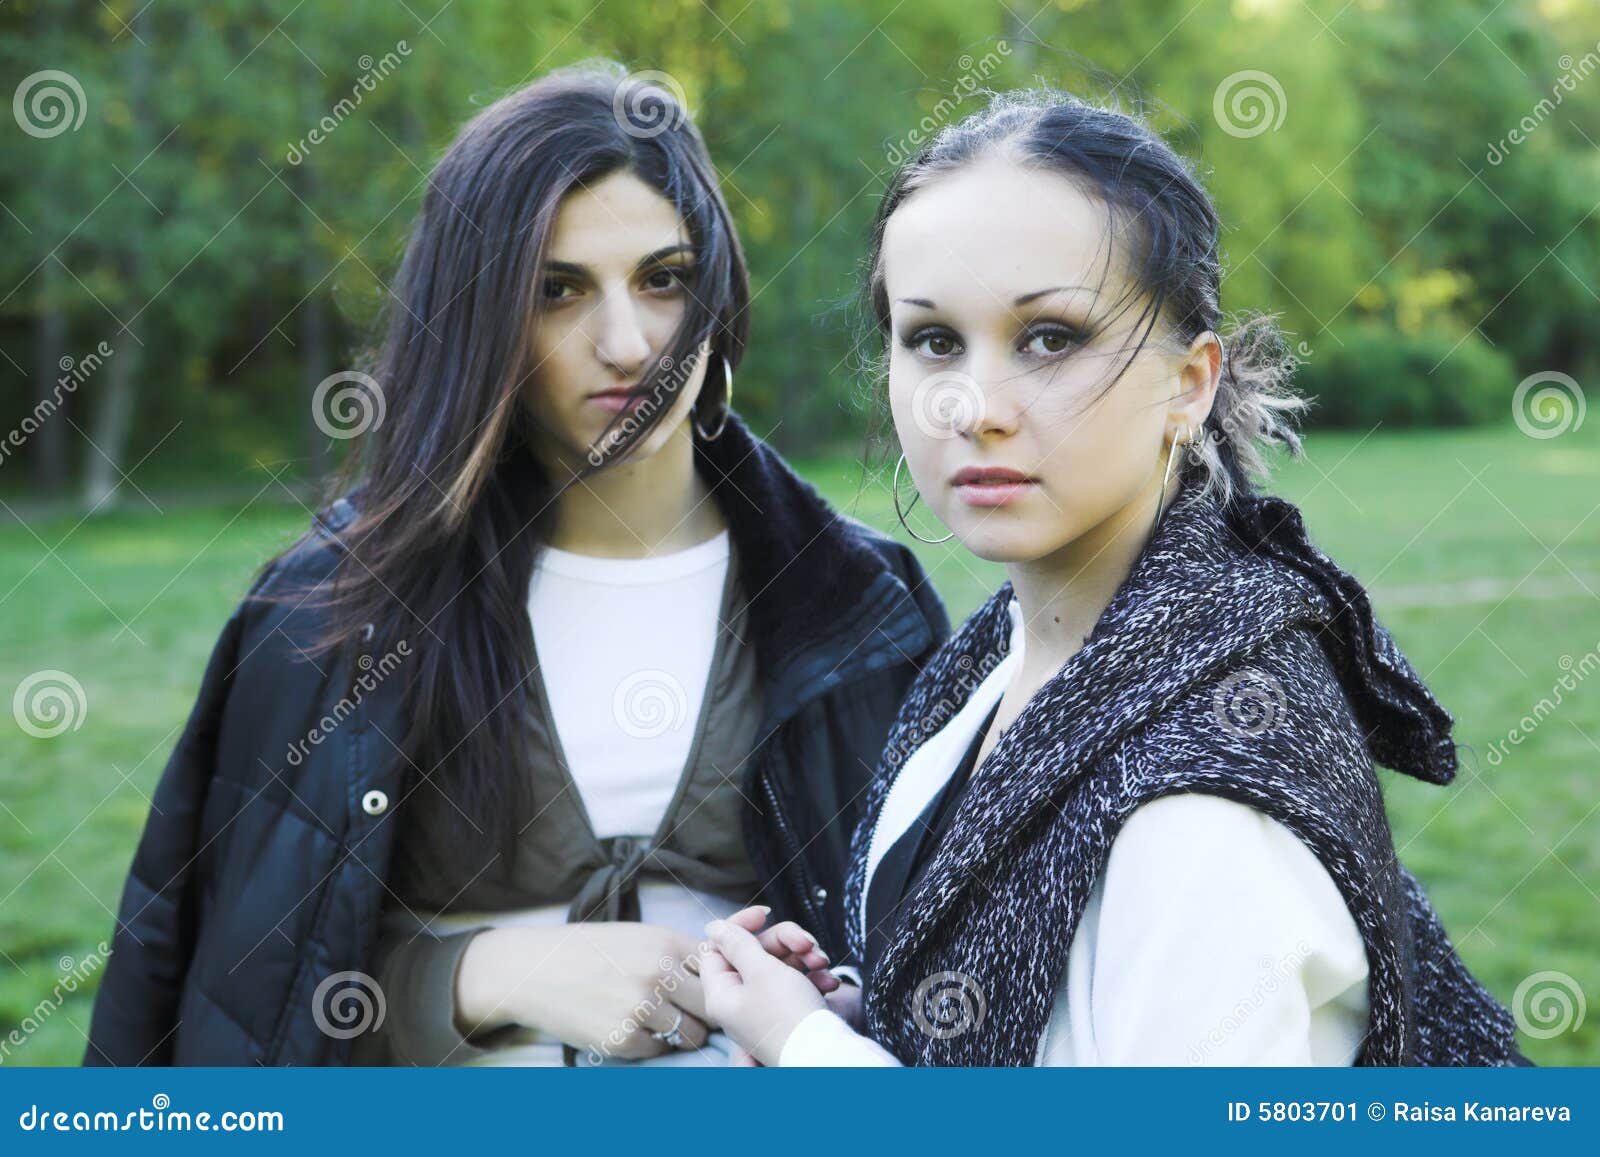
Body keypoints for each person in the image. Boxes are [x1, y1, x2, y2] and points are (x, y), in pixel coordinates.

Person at [82, 61, 947, 1068]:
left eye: (663, 279)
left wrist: (833, 1001)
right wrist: (487, 973)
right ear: (477, 315)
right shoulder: (325, 612)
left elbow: (944, 980)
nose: (627, 342)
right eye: (556, 290)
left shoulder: (860, 605)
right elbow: (238, 994)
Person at [699, 88, 1530, 1067]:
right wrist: (867, 1012)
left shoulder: (1206, 802)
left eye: (1050, 337)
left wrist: (802, 1047)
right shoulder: (1008, 648)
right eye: (934, 340)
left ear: (1189, 381)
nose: (974, 406)